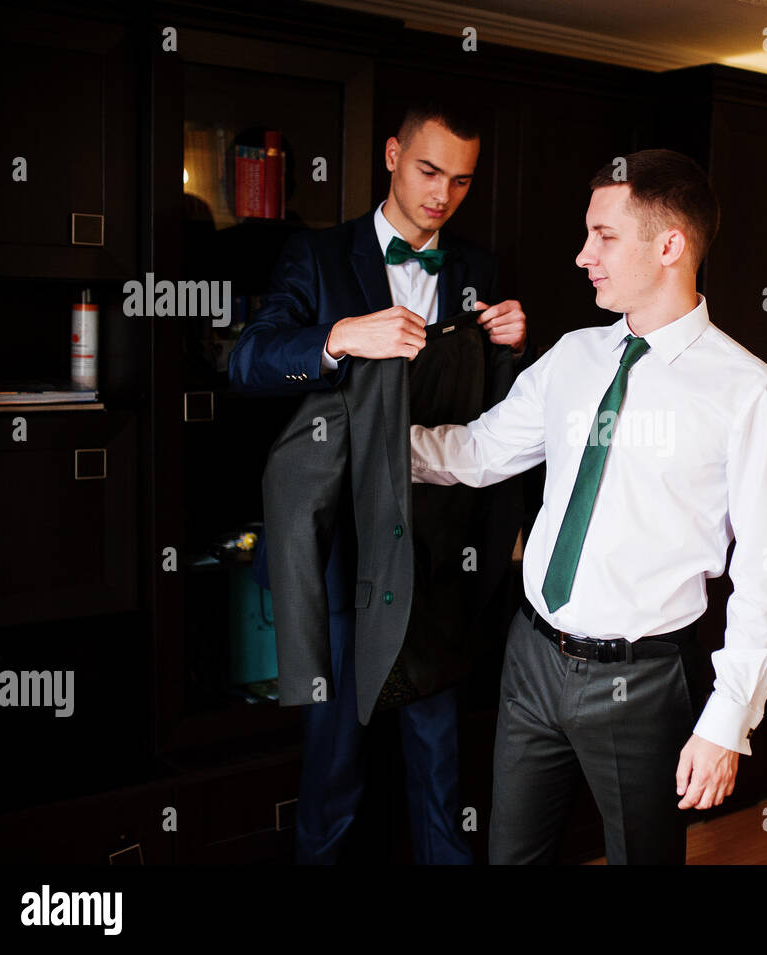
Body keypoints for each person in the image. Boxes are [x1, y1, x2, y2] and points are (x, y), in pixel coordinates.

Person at [410, 149, 767, 864]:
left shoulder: (751, 394)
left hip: (645, 681)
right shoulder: (572, 356)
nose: (582, 253)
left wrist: (727, 721)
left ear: (669, 244)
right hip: (530, 656)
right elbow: (477, 452)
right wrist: (370, 448)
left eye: (604, 235)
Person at [229, 100, 527, 864]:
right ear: (392, 154)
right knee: (332, 768)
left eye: (461, 181)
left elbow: (496, 420)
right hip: (341, 553)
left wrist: (511, 352)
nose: (442, 195)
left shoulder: (478, 271)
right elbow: (247, 360)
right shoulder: (319, 256)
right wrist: (336, 337)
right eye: (429, 171)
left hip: (436, 553)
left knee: (440, 768)